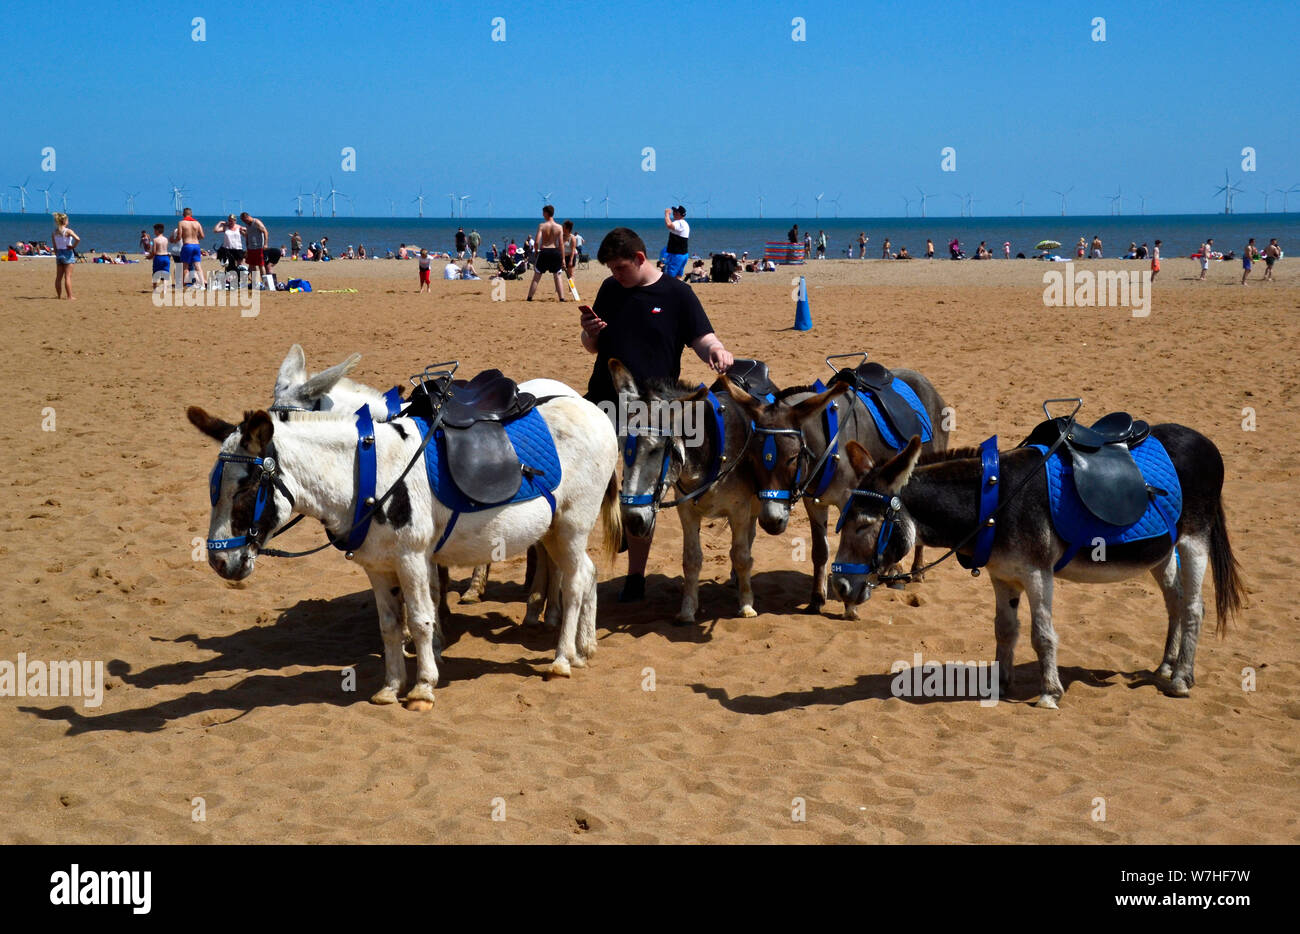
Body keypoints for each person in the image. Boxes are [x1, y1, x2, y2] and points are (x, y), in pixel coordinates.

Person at [578, 226, 735, 602]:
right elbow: (591, 347)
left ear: (639, 258)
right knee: (589, 480)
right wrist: (590, 332)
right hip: (604, 398)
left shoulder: (678, 294)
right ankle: (606, 533)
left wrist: (716, 351)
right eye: (610, 269)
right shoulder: (610, 289)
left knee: (641, 493)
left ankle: (635, 577)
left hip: (652, 410)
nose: (615, 275)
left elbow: (702, 336)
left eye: (619, 267)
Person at [527, 205, 568, 301]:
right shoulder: (559, 227)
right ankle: (561, 298)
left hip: (544, 251)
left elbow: (536, 242)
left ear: (546, 213)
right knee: (557, 275)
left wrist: (536, 252)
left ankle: (529, 297)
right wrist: (562, 258)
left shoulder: (542, 226)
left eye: (543, 213)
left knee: (537, 276)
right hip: (555, 251)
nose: (542, 215)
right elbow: (561, 244)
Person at [175, 207, 206, 288]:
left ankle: (184, 284)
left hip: (187, 245)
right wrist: (196, 239)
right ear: (191, 214)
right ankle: (202, 284)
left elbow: (179, 236)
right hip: (196, 245)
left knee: (185, 266)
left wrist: (174, 240)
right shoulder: (197, 223)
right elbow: (202, 236)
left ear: (183, 214)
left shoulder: (181, 223)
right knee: (198, 266)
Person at [51, 212, 80, 299]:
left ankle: (59, 295)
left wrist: (57, 254)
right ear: (65, 221)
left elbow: (55, 246)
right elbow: (78, 239)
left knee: (58, 277)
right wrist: (73, 246)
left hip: (59, 253)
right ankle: (70, 296)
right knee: (67, 276)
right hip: (67, 252)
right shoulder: (68, 231)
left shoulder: (54, 233)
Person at [239, 212, 269, 286]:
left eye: (245, 220)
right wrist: (242, 233)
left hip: (258, 247)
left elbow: (265, 232)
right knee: (252, 265)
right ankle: (255, 282)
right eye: (243, 221)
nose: (245, 222)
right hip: (250, 248)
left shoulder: (256, 222)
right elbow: (248, 235)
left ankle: (265, 283)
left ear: (248, 217)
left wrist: (265, 244)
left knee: (261, 265)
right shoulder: (247, 225)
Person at [661, 205, 691, 279]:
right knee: (678, 276)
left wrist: (667, 214)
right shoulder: (685, 224)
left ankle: (669, 290)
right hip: (683, 254)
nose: (674, 213)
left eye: (675, 212)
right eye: (674, 212)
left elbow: (669, 225)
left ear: (680, 214)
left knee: (669, 276)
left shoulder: (679, 222)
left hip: (677, 254)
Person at [147, 222, 170, 292]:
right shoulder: (166, 239)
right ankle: (165, 289)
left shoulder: (155, 240)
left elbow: (154, 252)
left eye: (154, 230)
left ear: (157, 231)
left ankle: (155, 289)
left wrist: (149, 257)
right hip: (166, 257)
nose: (154, 232)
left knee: (155, 274)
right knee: (165, 274)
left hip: (158, 257)